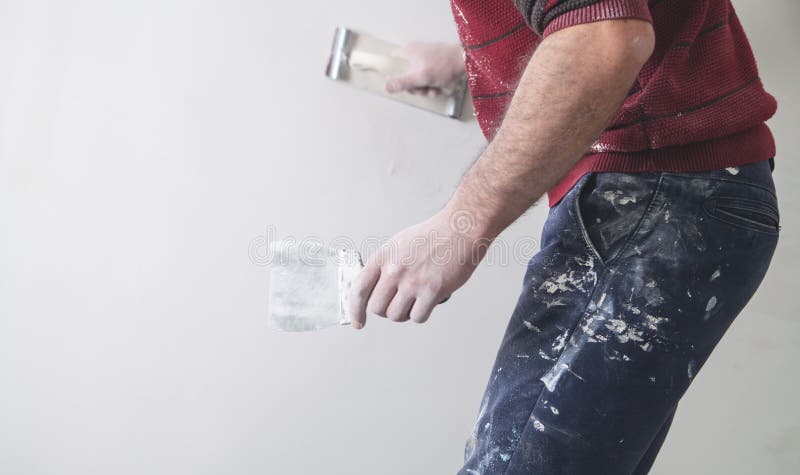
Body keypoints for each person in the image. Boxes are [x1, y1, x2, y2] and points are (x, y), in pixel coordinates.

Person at [349, 1, 780, 473]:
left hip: (653, 198)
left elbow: (606, 37)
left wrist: (461, 223)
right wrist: (470, 62)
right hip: (670, 198)